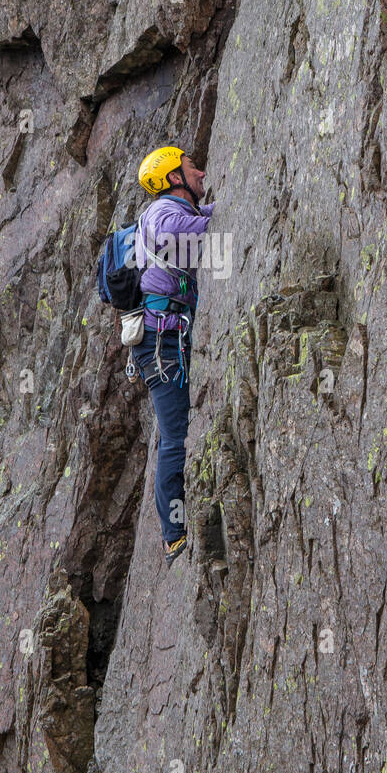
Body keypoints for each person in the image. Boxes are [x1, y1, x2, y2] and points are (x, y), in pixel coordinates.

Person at [134, 146, 213, 565]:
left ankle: (174, 529)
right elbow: (175, 233)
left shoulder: (164, 210)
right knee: (174, 435)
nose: (200, 172)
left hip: (165, 337)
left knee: (175, 432)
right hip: (161, 342)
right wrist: (213, 217)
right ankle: (173, 534)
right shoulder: (163, 212)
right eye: (190, 167)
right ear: (173, 179)